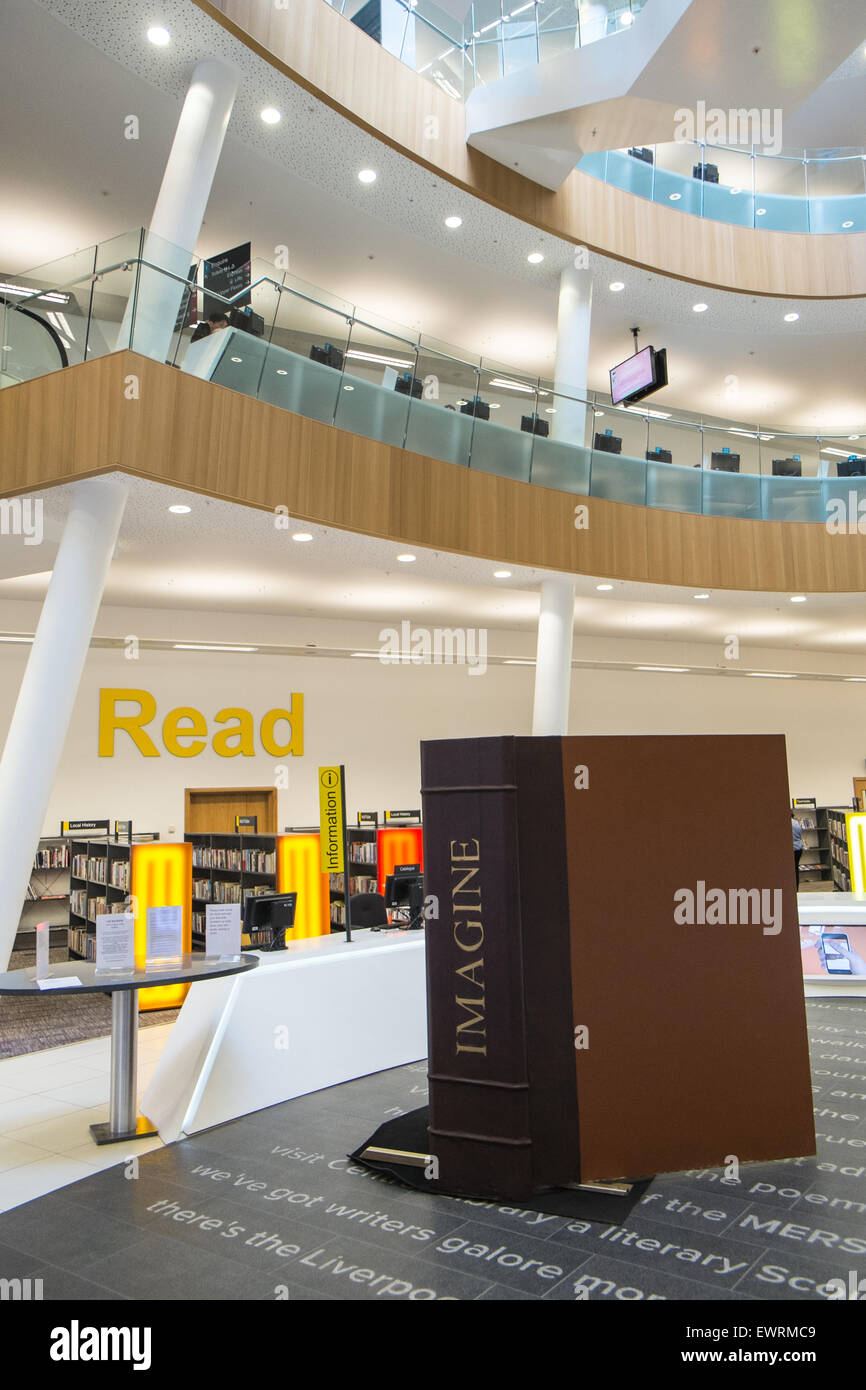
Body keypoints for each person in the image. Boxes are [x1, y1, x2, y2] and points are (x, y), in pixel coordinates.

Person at [791, 810, 803, 888]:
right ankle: (796, 889)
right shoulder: (796, 823)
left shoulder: (788, 823)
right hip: (799, 848)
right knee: (796, 869)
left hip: (793, 848)